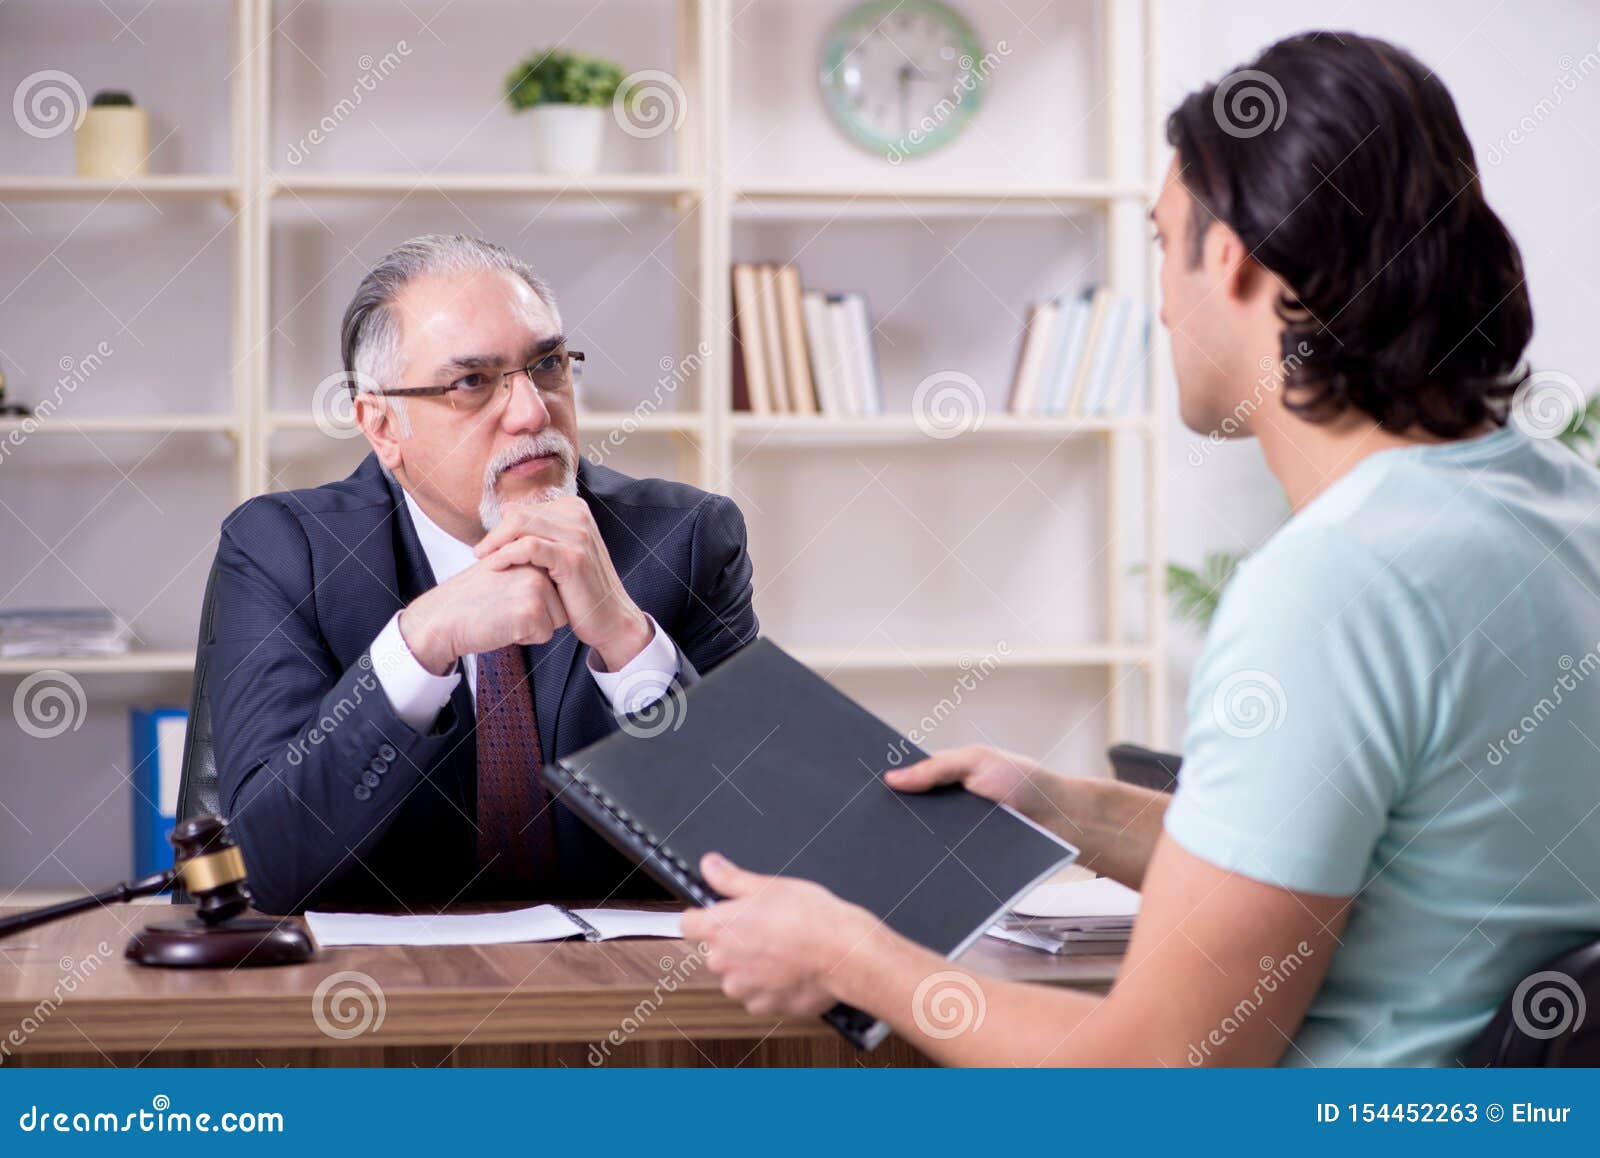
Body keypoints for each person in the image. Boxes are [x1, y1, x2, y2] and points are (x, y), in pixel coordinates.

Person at [683, 31, 1600, 1066]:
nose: (1160, 303)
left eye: (1162, 245)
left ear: (1230, 256)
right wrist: (1059, 808)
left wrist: (850, 957)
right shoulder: (1566, 512)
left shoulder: (1337, 588)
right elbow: (1371, 870)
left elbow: (1152, 1074)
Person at [208, 234, 756, 915]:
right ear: (382, 427)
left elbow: (756, 853)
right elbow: (267, 866)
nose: (532, 412)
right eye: (471, 383)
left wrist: (625, 640)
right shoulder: (283, 550)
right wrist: (420, 641)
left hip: (632, 994)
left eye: (548, 364)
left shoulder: (687, 539)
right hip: (382, 1000)